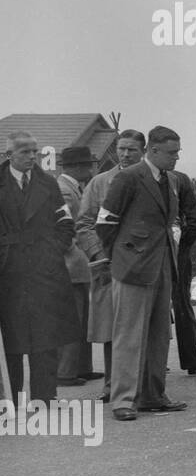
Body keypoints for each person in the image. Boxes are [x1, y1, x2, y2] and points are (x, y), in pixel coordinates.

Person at [96, 125, 188, 420]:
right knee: (129, 335)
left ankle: (152, 395)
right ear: (154, 150)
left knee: (160, 334)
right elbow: (105, 222)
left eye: (178, 152)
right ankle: (123, 400)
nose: (177, 158)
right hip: (133, 268)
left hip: (162, 265)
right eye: (172, 153)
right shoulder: (128, 177)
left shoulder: (171, 179)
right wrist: (120, 256)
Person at [0, 131, 81, 405]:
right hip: (7, 272)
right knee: (10, 338)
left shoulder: (48, 183)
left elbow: (65, 222)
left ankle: (45, 396)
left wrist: (53, 250)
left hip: (44, 271)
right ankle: (9, 399)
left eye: (35, 151)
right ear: (9, 155)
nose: (32, 157)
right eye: (25, 152)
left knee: (45, 335)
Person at [77, 129, 146, 403]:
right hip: (109, 265)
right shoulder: (100, 183)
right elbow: (83, 222)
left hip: (143, 264)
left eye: (132, 149)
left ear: (143, 150)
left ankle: (145, 385)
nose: (126, 154)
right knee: (111, 328)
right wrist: (97, 254)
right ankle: (111, 384)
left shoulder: (152, 179)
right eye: (122, 149)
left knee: (143, 326)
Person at [56, 145, 99, 386]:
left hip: (79, 266)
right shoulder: (64, 190)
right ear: (78, 167)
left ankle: (82, 367)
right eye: (88, 164)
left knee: (83, 320)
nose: (91, 168)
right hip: (71, 265)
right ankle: (65, 372)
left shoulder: (74, 188)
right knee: (73, 319)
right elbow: (66, 227)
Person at [171, 168, 196, 375]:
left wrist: (182, 246)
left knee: (181, 304)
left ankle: (191, 358)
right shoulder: (179, 178)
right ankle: (191, 359)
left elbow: (194, 219)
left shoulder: (179, 179)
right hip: (164, 251)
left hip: (174, 251)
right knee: (181, 304)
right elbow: (194, 219)